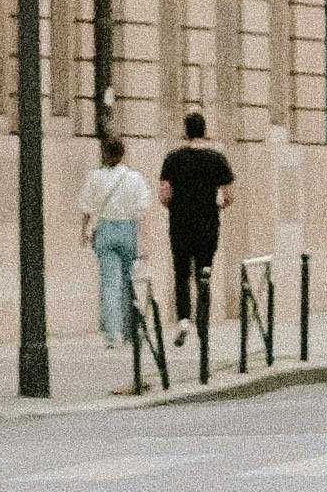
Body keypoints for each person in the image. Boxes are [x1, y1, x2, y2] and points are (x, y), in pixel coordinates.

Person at [76, 136, 154, 351]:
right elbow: (142, 213)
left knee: (109, 284)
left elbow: (87, 208)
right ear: (122, 154)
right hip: (128, 229)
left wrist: (84, 231)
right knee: (129, 281)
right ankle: (131, 332)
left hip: (105, 230)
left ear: (105, 154)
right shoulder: (135, 178)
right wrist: (144, 241)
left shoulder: (95, 177)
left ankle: (112, 334)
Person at [159, 113, 236, 308]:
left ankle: (184, 319)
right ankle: (203, 323)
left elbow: (164, 196)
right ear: (204, 131)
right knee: (204, 271)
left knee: (182, 273)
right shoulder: (217, 159)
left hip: (180, 224)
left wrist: (177, 206)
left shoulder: (172, 159)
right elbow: (228, 197)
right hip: (207, 224)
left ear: (185, 132)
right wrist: (216, 205)